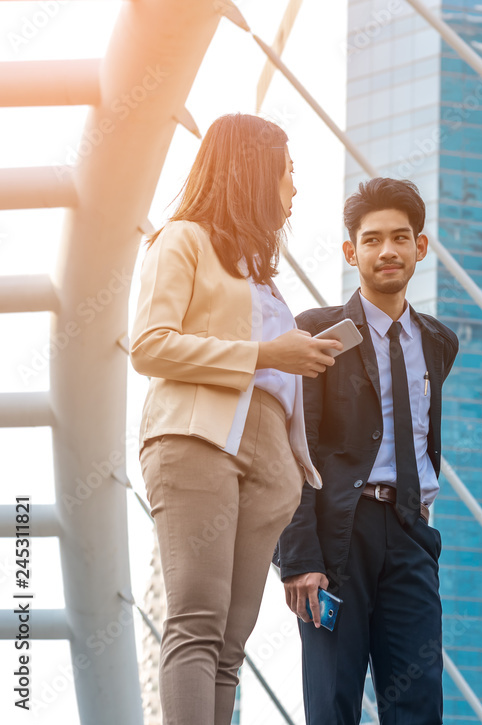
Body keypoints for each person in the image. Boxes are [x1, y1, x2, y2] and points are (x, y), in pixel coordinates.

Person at [130, 114, 341, 725]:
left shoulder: (265, 281)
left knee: (229, 644)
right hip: (198, 441)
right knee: (197, 622)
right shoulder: (182, 240)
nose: (295, 187)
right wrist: (265, 354)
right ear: (254, 169)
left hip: (268, 466)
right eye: (288, 172)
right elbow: (150, 346)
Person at [276, 177, 459, 724]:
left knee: (419, 705)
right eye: (372, 240)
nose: (387, 251)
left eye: (400, 238)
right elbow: (296, 449)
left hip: (410, 533)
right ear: (351, 252)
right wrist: (299, 557)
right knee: (333, 703)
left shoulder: (439, 342)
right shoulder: (318, 332)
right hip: (338, 536)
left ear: (420, 247)